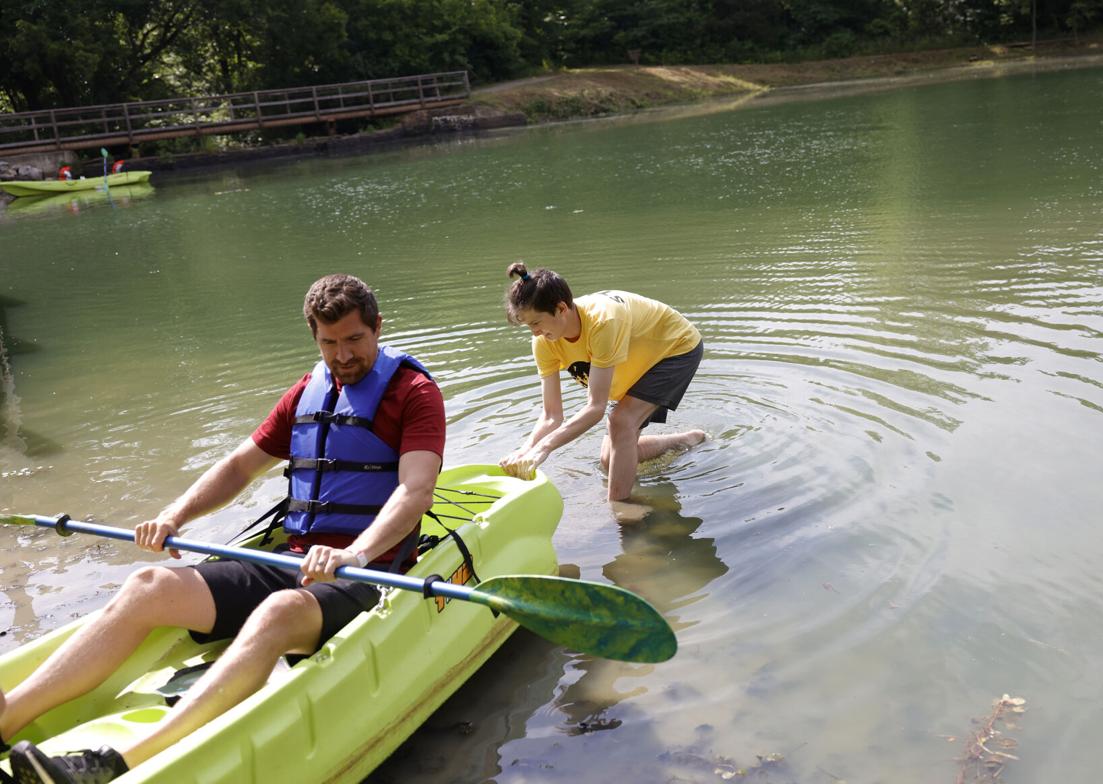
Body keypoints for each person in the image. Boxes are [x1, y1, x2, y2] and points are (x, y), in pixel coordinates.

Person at [1, 274, 445, 783]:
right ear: (314, 338)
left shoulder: (414, 392)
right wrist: (174, 515)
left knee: (279, 611)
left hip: (371, 571)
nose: (342, 355)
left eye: (354, 340)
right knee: (149, 585)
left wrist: (357, 553)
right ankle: (7, 716)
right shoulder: (307, 392)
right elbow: (238, 467)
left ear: (377, 327)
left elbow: (415, 491)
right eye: (329, 343)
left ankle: (122, 761)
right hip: (293, 560)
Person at [500, 263, 705, 522]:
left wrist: (546, 447)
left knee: (620, 422)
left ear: (561, 308)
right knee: (610, 461)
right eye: (529, 326)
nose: (535, 333)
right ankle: (686, 440)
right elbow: (552, 415)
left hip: (673, 349)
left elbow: (595, 408)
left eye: (537, 323)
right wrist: (526, 449)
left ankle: (621, 512)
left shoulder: (602, 322)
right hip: (631, 361)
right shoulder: (543, 342)